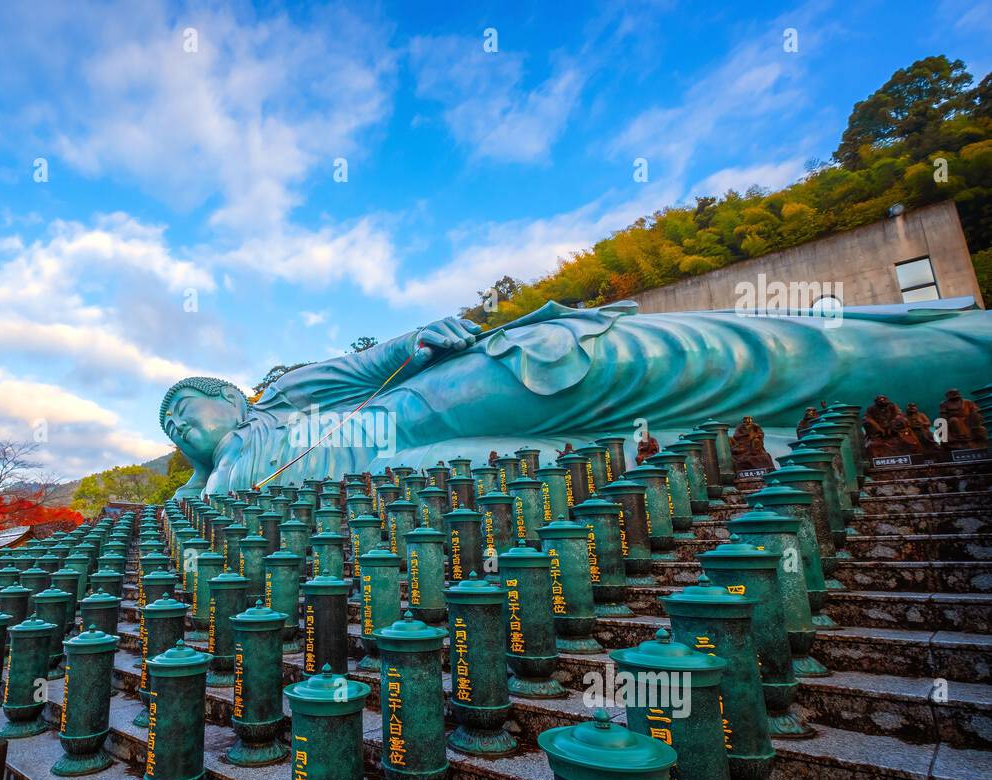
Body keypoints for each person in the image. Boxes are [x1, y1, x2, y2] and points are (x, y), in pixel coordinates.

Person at [158, 299, 992, 498]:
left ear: (231, 397)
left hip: (424, 409)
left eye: (184, 406)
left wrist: (416, 344)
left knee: (627, 361)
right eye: (165, 425)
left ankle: (937, 349)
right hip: (420, 466)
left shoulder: (280, 405)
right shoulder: (199, 493)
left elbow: (364, 363)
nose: (176, 425)